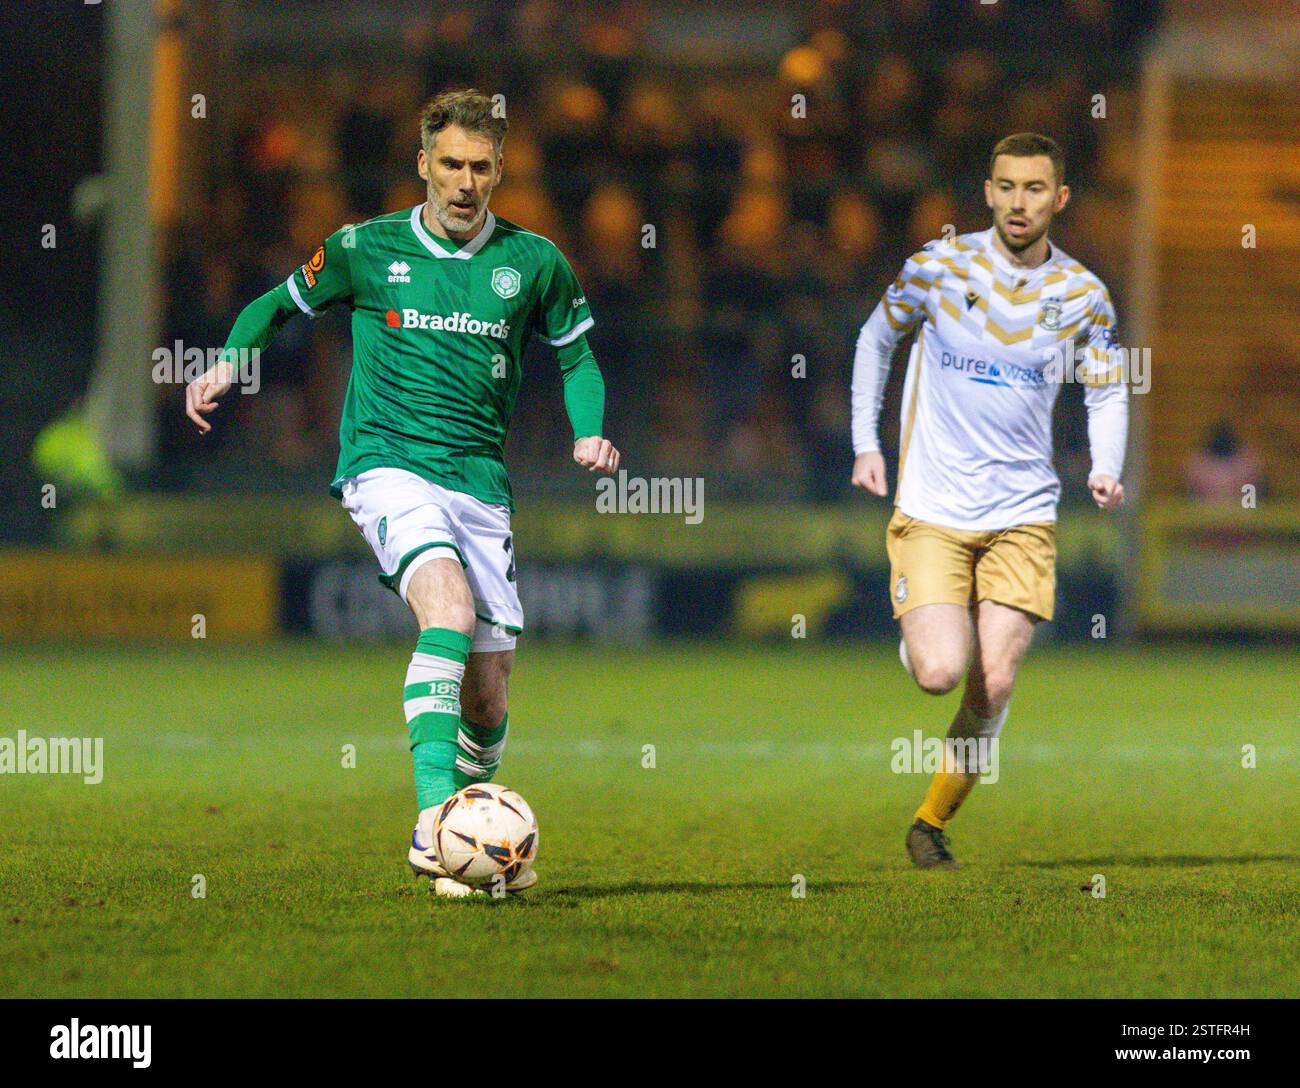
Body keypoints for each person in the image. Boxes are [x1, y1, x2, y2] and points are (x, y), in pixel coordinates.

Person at [186, 89, 620, 896]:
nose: (464, 183)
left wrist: (587, 428)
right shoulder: (363, 248)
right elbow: (278, 305)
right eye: (450, 164)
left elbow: (578, 358)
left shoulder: (535, 263)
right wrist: (224, 363)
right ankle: (434, 828)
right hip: (386, 465)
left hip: (481, 484)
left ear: (500, 172)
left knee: (486, 699)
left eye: (481, 168)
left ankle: (470, 818)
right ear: (424, 164)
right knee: (447, 612)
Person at [849, 133, 1127, 869]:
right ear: (988, 191)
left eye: (1035, 188)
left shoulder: (1084, 295)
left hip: (1024, 514)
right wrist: (864, 442)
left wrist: (1106, 465)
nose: (1018, 202)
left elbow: (1106, 387)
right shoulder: (938, 268)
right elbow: (875, 340)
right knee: (939, 672)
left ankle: (930, 823)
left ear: (1060, 199)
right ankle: (921, 631)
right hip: (934, 509)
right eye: (1007, 186)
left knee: (994, 679)